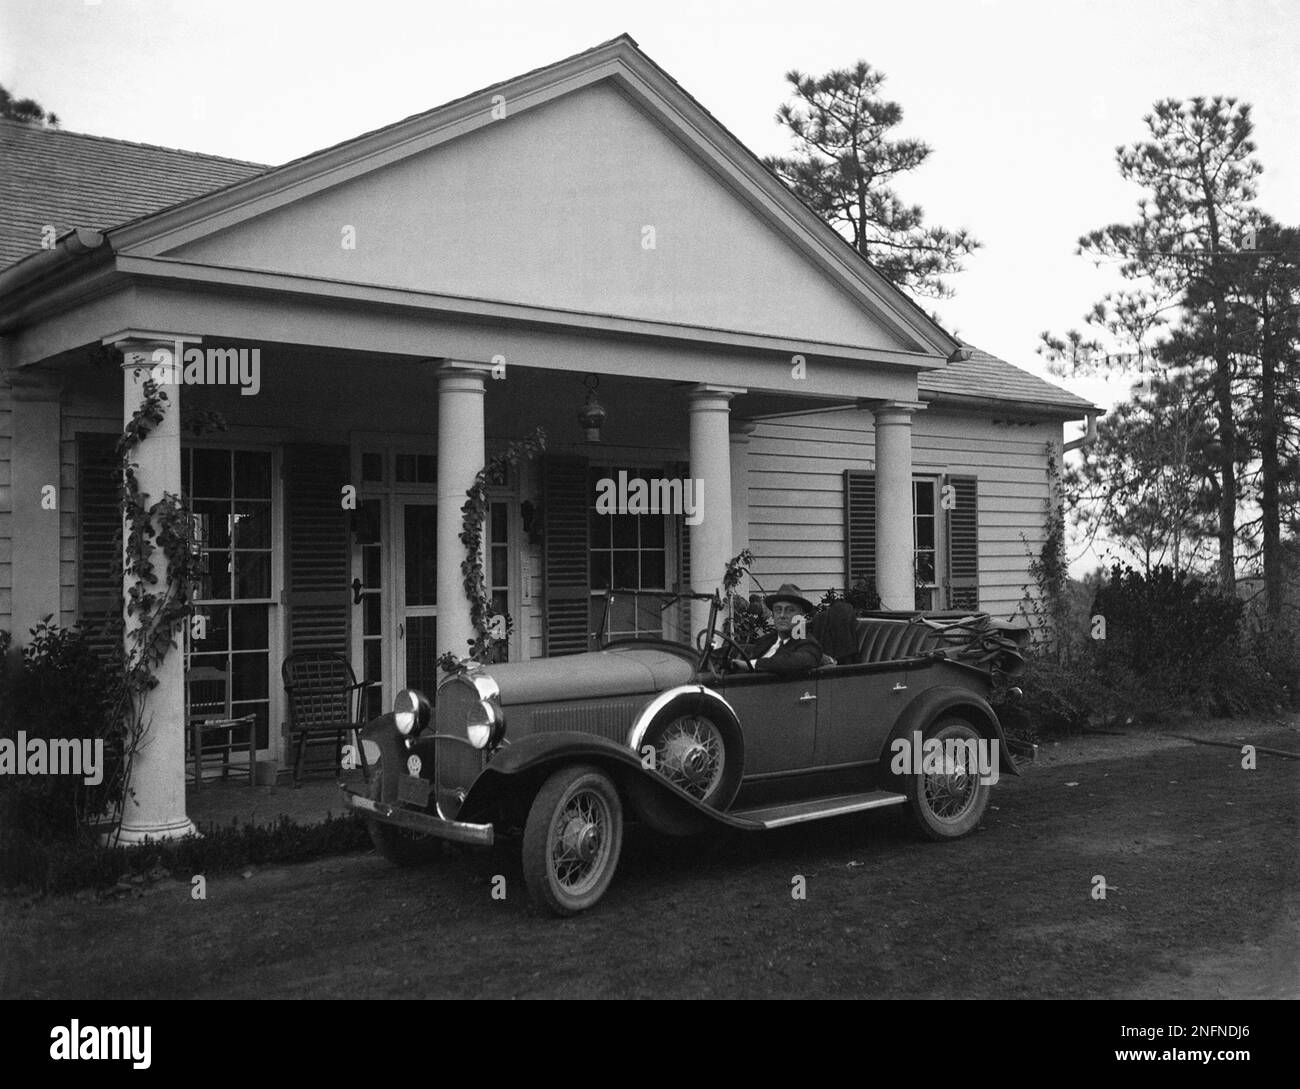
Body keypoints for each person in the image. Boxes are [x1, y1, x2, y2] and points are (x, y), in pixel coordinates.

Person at [747, 584, 824, 676]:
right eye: (778, 610)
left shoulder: (808, 644)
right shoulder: (765, 641)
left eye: (790, 610)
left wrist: (752, 664)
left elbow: (795, 662)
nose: (782, 615)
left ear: (801, 615)